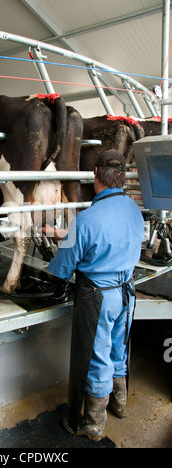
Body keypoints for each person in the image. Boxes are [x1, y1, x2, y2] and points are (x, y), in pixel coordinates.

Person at [44, 150, 145, 441]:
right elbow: (106, 236)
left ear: (95, 176)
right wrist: (68, 233)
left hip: (99, 299)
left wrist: (63, 240)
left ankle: (93, 422)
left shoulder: (86, 219)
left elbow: (63, 269)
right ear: (121, 178)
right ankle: (120, 402)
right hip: (127, 292)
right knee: (118, 348)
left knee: (97, 357)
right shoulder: (133, 209)